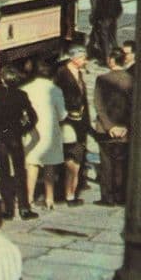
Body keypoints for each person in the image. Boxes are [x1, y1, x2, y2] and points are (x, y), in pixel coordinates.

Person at [0, 66, 38, 220]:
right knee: (20, 173)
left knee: (4, 174)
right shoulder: (21, 95)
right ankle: (24, 209)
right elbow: (33, 117)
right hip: (15, 138)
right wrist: (23, 129)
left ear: (2, 79)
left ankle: (8, 210)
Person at [21, 60, 66, 210]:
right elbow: (62, 115)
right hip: (50, 132)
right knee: (49, 167)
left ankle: (29, 198)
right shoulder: (56, 90)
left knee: (32, 165)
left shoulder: (27, 89)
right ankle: (49, 199)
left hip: (32, 131)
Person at [94, 47, 133, 205]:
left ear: (111, 60)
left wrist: (109, 126)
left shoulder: (102, 79)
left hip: (105, 129)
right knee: (122, 164)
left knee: (107, 164)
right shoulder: (131, 79)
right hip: (125, 130)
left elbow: (99, 105)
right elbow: (133, 107)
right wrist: (125, 126)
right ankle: (121, 196)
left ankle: (107, 197)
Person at [54, 44, 90, 206]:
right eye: (83, 58)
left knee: (75, 156)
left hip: (79, 121)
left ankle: (69, 191)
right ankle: (69, 194)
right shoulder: (62, 74)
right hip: (68, 121)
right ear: (74, 58)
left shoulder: (78, 73)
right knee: (72, 156)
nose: (85, 60)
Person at [90, 0, 123, 64]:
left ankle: (106, 60)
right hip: (113, 21)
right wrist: (114, 17)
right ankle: (118, 58)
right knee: (113, 40)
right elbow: (119, 9)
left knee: (104, 42)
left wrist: (95, 20)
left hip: (103, 21)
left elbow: (97, 10)